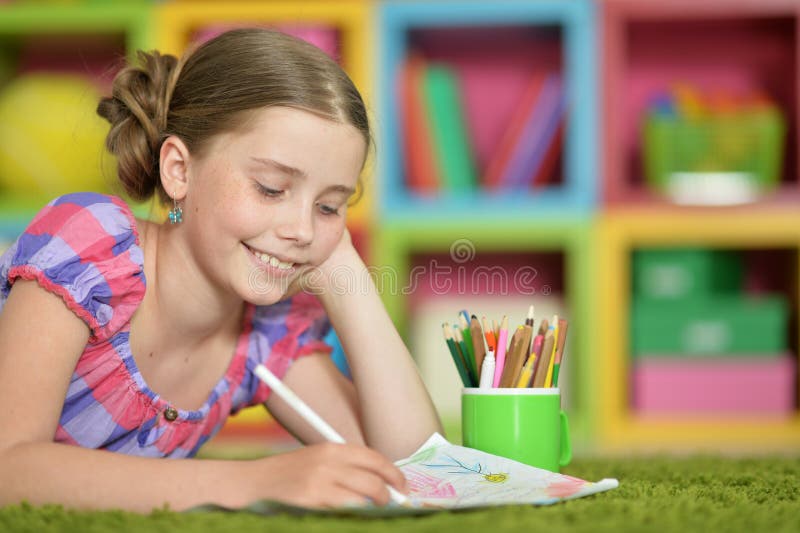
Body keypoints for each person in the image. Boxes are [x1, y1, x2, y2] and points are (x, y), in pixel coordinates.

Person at [0, 28, 442, 512]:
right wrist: (250, 482)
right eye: (272, 189)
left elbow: (415, 469)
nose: (301, 229)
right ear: (179, 171)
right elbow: (9, 467)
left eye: (330, 205)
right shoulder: (89, 247)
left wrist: (346, 277)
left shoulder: (264, 335)